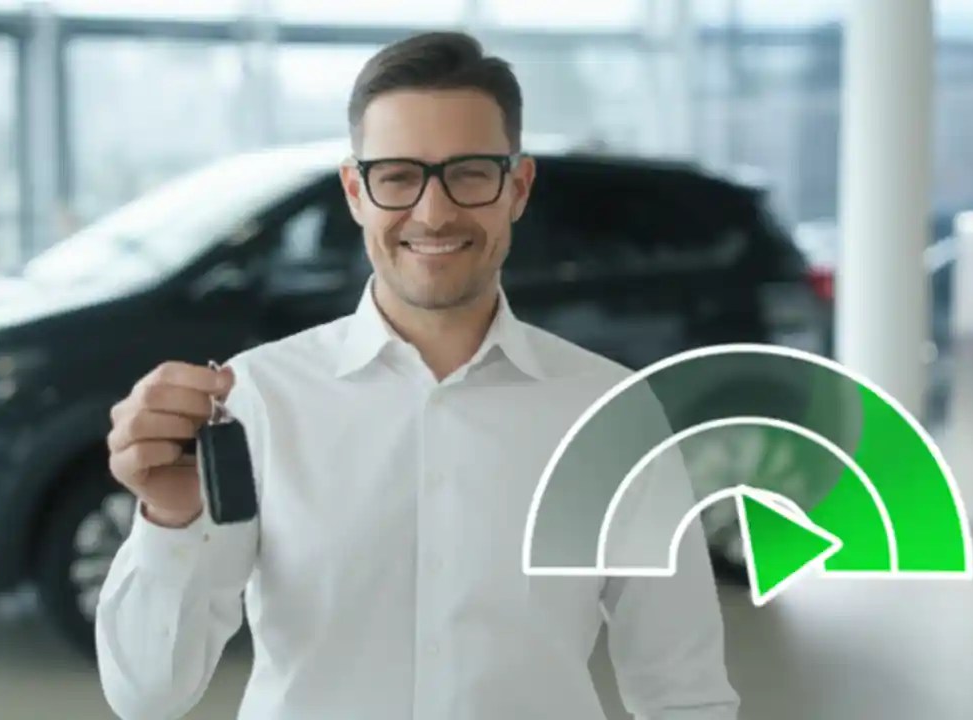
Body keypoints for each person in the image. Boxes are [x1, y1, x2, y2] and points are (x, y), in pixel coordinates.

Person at [98, 31, 740, 720]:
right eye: (399, 175)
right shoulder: (255, 399)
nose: (433, 213)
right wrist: (170, 520)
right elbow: (147, 696)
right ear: (355, 191)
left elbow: (684, 695)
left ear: (517, 187)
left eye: (469, 173)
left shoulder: (613, 415)